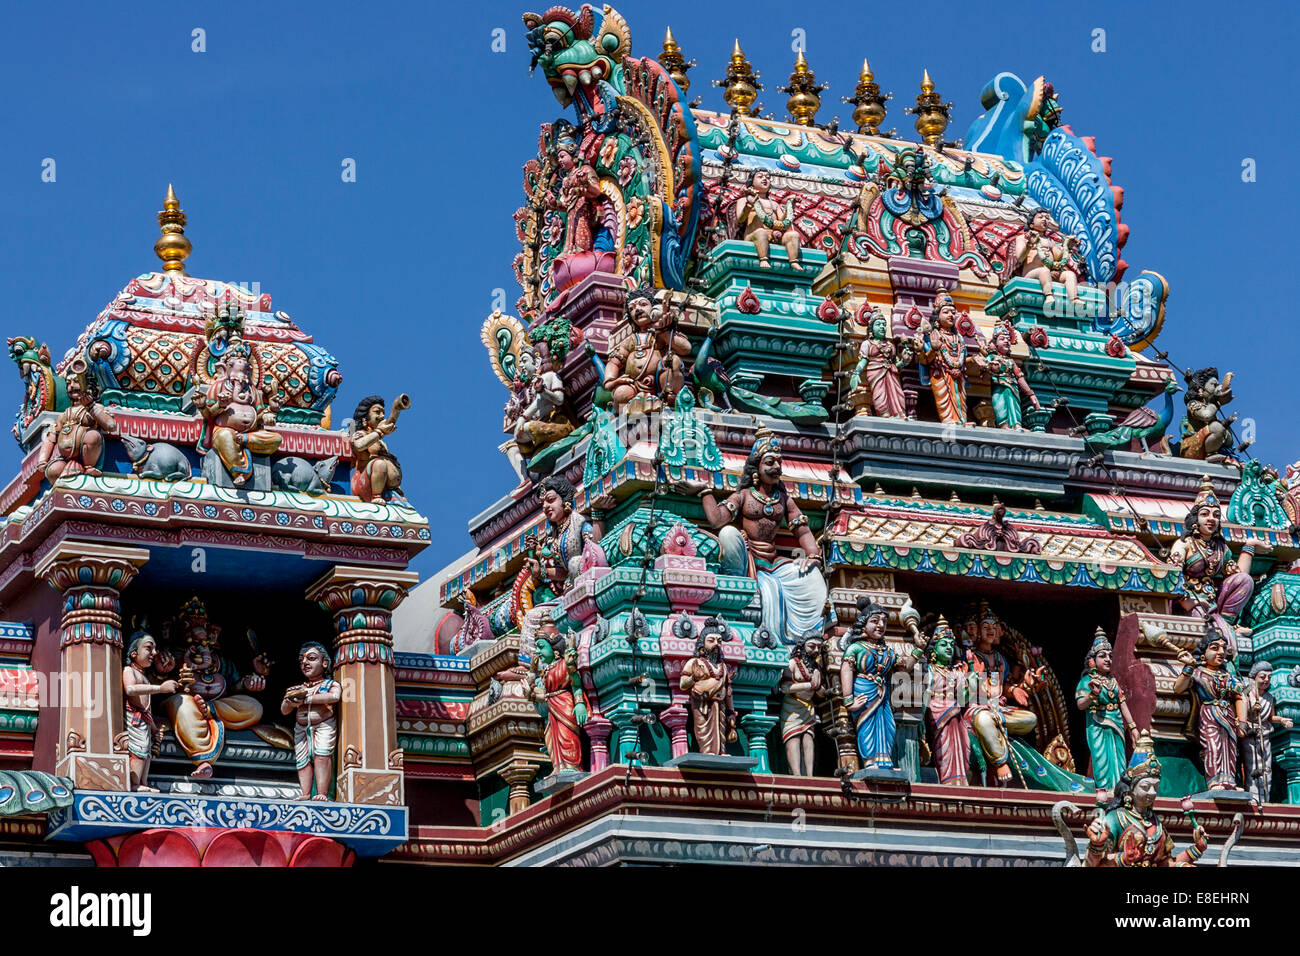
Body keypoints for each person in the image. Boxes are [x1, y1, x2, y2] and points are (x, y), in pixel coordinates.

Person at [678, 428, 827, 646]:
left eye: (778, 462)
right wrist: (705, 492)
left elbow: (802, 530)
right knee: (728, 532)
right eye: (769, 462)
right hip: (746, 560)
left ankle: (800, 636)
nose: (776, 467)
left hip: (774, 564)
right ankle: (735, 580)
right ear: (756, 467)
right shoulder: (744, 495)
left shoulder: (785, 500)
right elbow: (717, 520)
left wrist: (813, 555)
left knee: (812, 575)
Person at [1168, 478, 1261, 666]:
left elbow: (1238, 577)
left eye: (1216, 515)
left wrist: (1249, 547)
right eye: (1205, 514)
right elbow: (1171, 575)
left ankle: (1227, 622)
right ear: (1195, 519)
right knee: (1207, 634)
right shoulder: (1184, 544)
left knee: (1245, 580)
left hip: (1214, 603)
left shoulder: (1221, 548)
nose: (1211, 519)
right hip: (1189, 602)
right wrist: (1187, 601)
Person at [1084, 732, 1207, 867]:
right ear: (1130, 789)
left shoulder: (1156, 823)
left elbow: (1166, 864)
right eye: (1146, 787)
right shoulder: (1115, 819)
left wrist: (1197, 848)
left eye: (1156, 787)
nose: (1152, 792)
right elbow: (1093, 864)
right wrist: (1103, 847)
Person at [839, 599, 914, 771]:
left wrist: (917, 650)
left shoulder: (888, 651)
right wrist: (848, 700)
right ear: (863, 624)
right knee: (867, 725)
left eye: (884, 622)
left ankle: (885, 761)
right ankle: (870, 761)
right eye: (874, 621)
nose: (880, 625)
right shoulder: (856, 648)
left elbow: (904, 669)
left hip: (883, 695)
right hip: (864, 692)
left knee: (888, 726)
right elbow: (846, 670)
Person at [1172, 631, 1246, 791]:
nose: (1221, 652)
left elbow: (1240, 696)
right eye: (1215, 648)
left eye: (1224, 648)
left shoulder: (1227, 676)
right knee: (1213, 747)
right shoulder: (1199, 673)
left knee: (1230, 748)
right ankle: (1214, 781)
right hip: (1209, 714)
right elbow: (1179, 688)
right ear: (1204, 653)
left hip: (1228, 716)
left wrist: (1242, 722)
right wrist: (1189, 666)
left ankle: (1229, 782)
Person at [1075, 628, 1139, 791]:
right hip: (1098, 725)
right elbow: (1080, 705)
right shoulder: (1087, 681)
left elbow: (1122, 704)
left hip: (1116, 723)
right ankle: (1105, 789)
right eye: (1103, 656)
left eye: (1110, 656)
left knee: (1119, 758)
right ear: (1092, 660)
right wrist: (1091, 696)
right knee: (1102, 759)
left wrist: (1132, 727)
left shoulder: (1113, 681)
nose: (1108, 659)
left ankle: (1119, 789)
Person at [280, 642, 341, 801]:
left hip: (323, 725)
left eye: (311, 658)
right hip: (301, 728)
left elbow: (334, 697)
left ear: (325, 662)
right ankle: (306, 793)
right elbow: (284, 710)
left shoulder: (330, 684)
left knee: (321, 756)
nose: (305, 663)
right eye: (301, 661)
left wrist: (307, 698)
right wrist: (291, 701)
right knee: (303, 760)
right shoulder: (298, 688)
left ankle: (322, 792)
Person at [121, 630, 179, 792]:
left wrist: (154, 728)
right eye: (149, 648)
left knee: (146, 752)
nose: (154, 653)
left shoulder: (144, 676)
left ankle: (143, 782)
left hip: (144, 720)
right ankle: (134, 784)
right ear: (133, 653)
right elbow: (131, 689)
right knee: (138, 750)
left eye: (155, 649)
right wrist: (160, 688)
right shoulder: (129, 671)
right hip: (134, 717)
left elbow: (147, 708)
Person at [919, 617, 974, 785]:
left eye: (951, 645)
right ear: (934, 650)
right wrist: (920, 717)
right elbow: (926, 696)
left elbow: (964, 699)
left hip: (956, 717)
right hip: (938, 715)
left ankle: (960, 778)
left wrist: (970, 676)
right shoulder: (929, 670)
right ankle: (947, 778)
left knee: (962, 747)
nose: (949, 648)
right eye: (944, 645)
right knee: (944, 748)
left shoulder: (956, 673)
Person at [37, 365, 117, 481]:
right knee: (53, 471)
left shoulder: (95, 408)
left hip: (89, 454)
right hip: (65, 457)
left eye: (76, 381)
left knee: (93, 436)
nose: (72, 386)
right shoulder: (64, 415)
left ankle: (89, 467)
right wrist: (42, 460)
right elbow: (50, 438)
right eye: (68, 383)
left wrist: (91, 406)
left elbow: (111, 425)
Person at [528, 624, 587, 771]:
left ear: (554, 650)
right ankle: (558, 766)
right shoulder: (546, 671)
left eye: (541, 647)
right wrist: (531, 682)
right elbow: (544, 694)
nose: (537, 652)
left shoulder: (564, 664)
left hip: (565, 705)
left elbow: (576, 683)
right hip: (553, 708)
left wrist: (579, 704)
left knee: (567, 737)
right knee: (552, 740)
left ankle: (572, 765)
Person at [913, 288, 973, 425]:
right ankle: (949, 419)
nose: (951, 315)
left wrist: (974, 360)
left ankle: (962, 419)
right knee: (945, 399)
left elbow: (962, 359)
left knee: (961, 398)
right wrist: (933, 348)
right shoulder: (935, 335)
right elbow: (925, 359)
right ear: (937, 316)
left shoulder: (959, 338)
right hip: (941, 374)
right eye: (946, 312)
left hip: (959, 375)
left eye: (953, 312)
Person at [679, 619, 737, 755]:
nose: (716, 644)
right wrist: (694, 677)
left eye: (719, 641)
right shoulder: (695, 662)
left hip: (720, 704)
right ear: (702, 644)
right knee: (705, 731)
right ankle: (707, 751)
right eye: (711, 641)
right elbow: (682, 684)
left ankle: (721, 751)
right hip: (702, 705)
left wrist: (731, 711)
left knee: (720, 729)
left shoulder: (723, 667)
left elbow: (728, 691)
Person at [1241, 660, 1293, 804]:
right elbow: (1241, 712)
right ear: (1254, 677)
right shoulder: (1246, 694)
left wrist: (1282, 720)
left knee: (1266, 767)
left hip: (1264, 733)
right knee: (1252, 765)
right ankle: (1253, 797)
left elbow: (1270, 717)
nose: (1266, 680)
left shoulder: (1269, 698)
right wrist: (1251, 708)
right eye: (1262, 677)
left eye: (1269, 678)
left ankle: (1264, 798)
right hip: (1250, 734)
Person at [778, 630, 827, 776]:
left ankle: (810, 774)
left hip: (808, 707)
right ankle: (797, 774)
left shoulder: (816, 669)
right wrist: (809, 685)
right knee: (793, 737)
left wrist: (820, 688)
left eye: (819, 647)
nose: (816, 650)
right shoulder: (792, 664)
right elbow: (785, 688)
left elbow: (820, 693)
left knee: (808, 739)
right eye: (812, 646)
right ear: (802, 646)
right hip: (792, 707)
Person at [735, 169, 802, 270]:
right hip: (754, 235)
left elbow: (782, 222)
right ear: (751, 182)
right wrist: (749, 205)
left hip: (774, 236)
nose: (765, 179)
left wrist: (790, 205)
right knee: (761, 233)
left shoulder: (774, 204)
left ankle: (793, 261)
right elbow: (740, 219)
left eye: (767, 177)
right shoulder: (744, 200)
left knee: (793, 235)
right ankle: (763, 259)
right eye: (760, 176)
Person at [350, 395, 406, 503]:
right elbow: (359, 445)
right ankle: (376, 496)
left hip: (387, 487)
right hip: (364, 484)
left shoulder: (380, 441)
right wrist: (380, 432)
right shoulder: (360, 434)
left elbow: (388, 423)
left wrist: (397, 409)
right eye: (377, 412)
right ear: (365, 419)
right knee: (379, 464)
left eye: (383, 412)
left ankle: (392, 492)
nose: (382, 416)